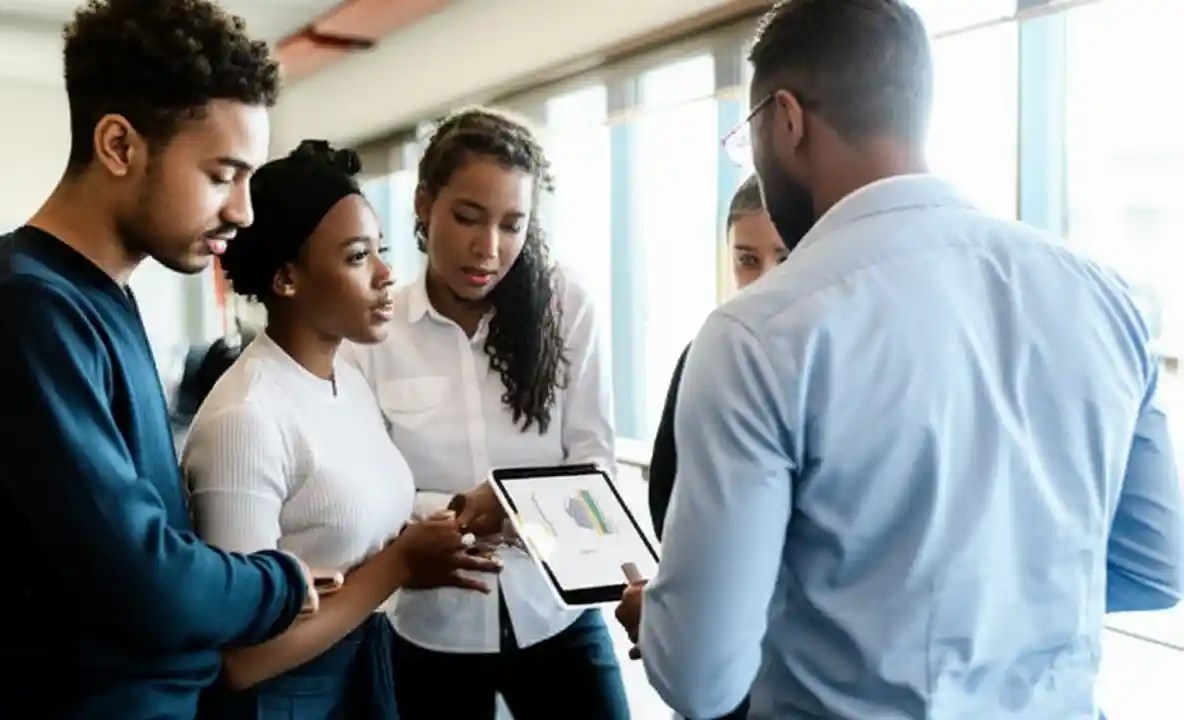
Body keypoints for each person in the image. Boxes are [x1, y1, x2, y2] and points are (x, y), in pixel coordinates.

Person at [616, 1, 1183, 718]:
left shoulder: (761, 333)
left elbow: (702, 680)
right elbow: (1153, 567)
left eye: (748, 135)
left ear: (786, 119)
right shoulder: (1106, 296)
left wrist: (663, 622)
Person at [0, 2, 322, 718]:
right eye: (223, 174)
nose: (244, 210)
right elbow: (142, 580)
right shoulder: (20, 309)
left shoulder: (97, 298)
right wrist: (279, 584)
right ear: (119, 145)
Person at [182, 140, 503, 720]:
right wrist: (399, 565)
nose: (386, 275)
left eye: (379, 251)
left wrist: (438, 538)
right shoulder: (246, 420)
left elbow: (343, 539)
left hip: (361, 670)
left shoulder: (345, 381)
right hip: (281, 698)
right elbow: (240, 660)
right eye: (357, 257)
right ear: (286, 278)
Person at [342, 107, 630, 720]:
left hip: (558, 614)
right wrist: (478, 510)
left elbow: (594, 469)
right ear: (424, 204)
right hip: (428, 631)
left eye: (512, 224)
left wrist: (507, 503)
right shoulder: (374, 330)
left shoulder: (566, 309)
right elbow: (366, 492)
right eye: (468, 217)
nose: (488, 248)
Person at [647, 174, 786, 541]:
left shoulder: (836, 363)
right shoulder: (702, 356)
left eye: (785, 258)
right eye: (747, 260)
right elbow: (665, 497)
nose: (764, 280)